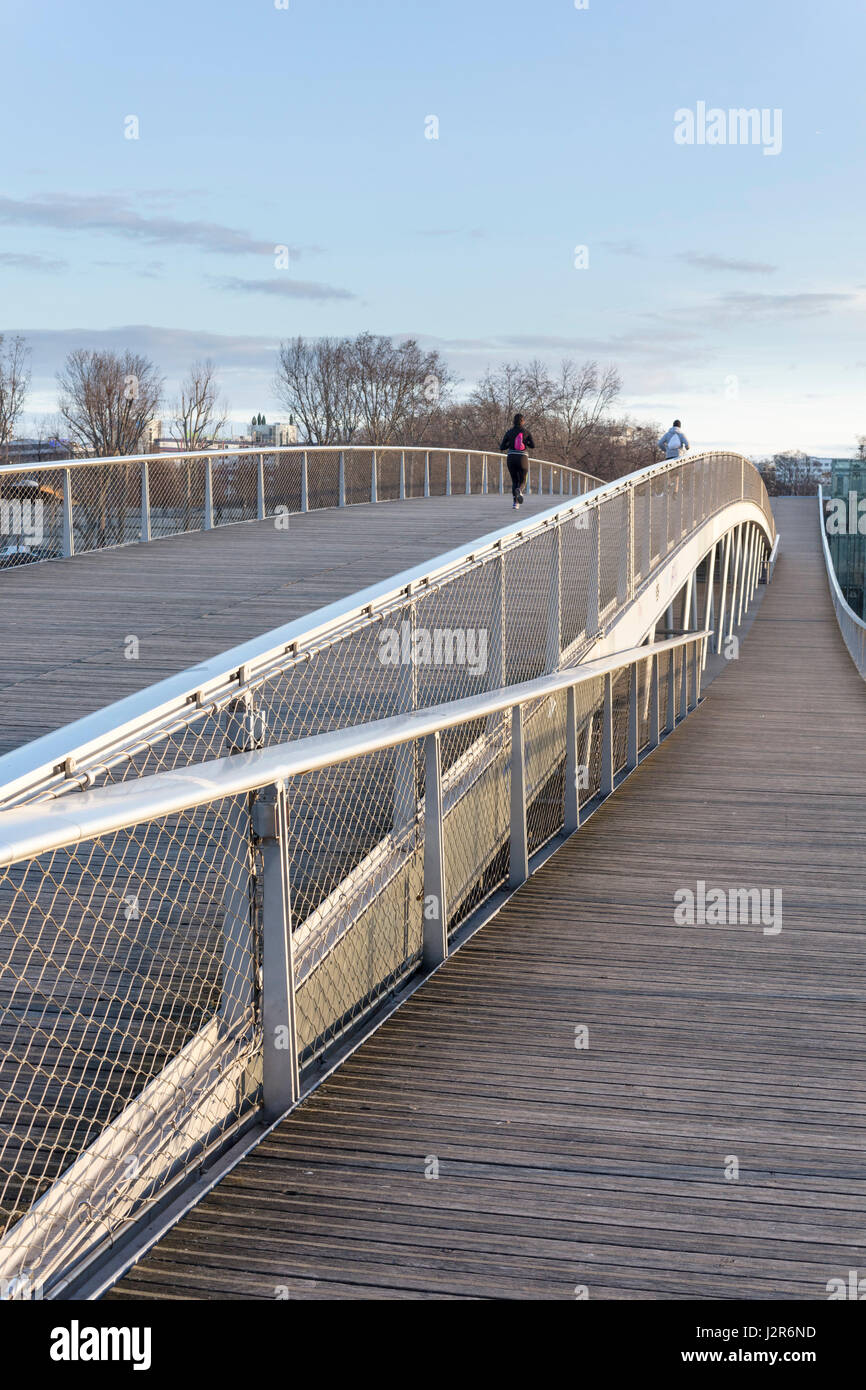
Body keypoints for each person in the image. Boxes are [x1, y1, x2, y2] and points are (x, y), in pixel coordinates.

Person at [499, 413, 535, 507]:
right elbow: (533, 446)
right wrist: (526, 442)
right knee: (523, 480)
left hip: (511, 457)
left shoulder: (509, 432)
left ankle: (515, 503)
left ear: (513, 422)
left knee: (515, 480)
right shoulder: (526, 432)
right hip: (522, 458)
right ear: (523, 421)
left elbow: (502, 447)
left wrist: (510, 444)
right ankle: (519, 490)